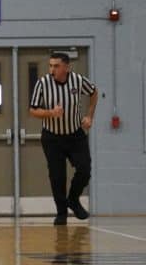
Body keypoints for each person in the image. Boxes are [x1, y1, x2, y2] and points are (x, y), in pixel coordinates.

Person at [29, 52, 99, 226]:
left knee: (84, 169)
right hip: (52, 137)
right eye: (50, 66)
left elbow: (94, 92)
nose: (52, 69)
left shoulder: (77, 80)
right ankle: (61, 213)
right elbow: (33, 110)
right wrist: (50, 113)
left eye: (56, 66)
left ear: (66, 67)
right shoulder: (43, 83)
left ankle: (73, 200)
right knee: (57, 176)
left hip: (75, 135)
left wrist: (89, 116)